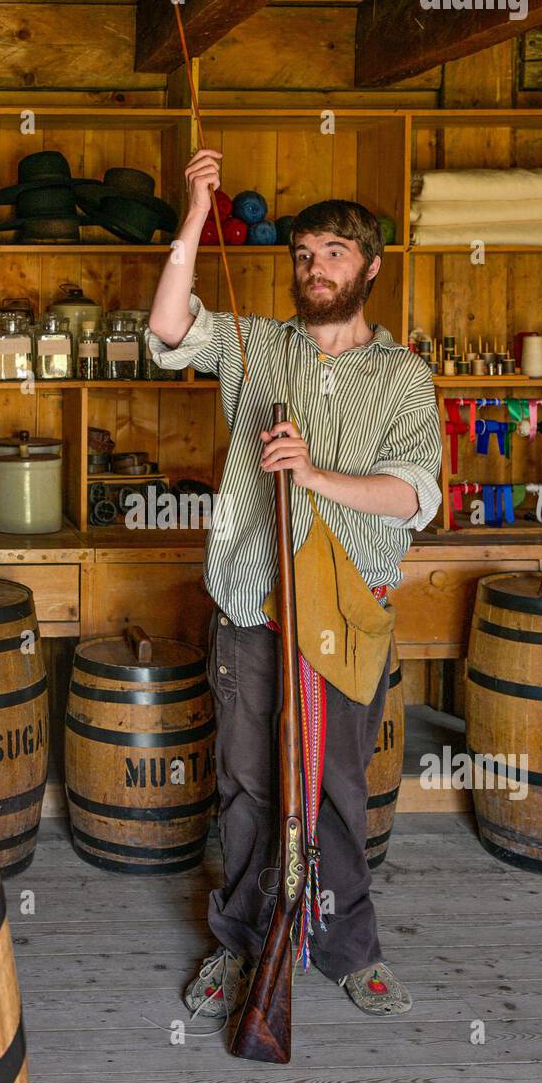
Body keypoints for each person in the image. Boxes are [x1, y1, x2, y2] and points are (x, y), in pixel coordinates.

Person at [146, 148, 442, 1021]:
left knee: (340, 791)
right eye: (304, 256)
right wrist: (198, 213)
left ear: (371, 268)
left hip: (348, 615)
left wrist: (311, 475)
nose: (315, 270)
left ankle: (350, 948)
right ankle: (241, 946)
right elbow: (167, 328)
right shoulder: (254, 343)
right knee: (245, 787)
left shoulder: (403, 376)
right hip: (252, 607)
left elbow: (414, 493)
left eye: (334, 254)